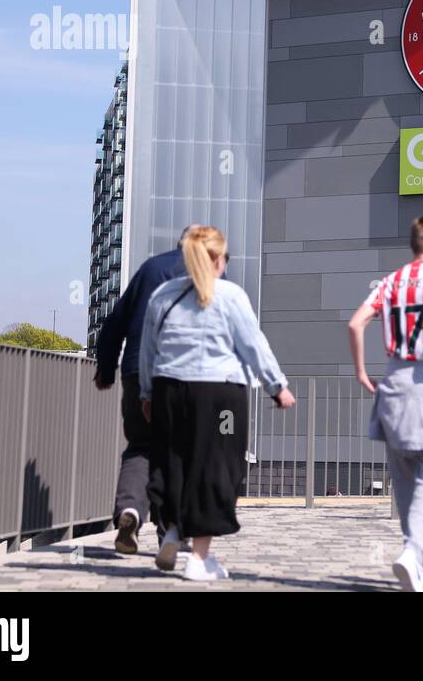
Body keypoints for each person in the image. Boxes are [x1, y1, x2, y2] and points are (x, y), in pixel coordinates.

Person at [139, 226, 294, 581]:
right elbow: (253, 345)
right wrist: (277, 386)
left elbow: (150, 350)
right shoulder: (230, 295)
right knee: (215, 467)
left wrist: (147, 394)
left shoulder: (163, 295)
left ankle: (174, 529)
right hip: (220, 397)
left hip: (169, 390)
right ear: (217, 259)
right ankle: (199, 557)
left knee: (173, 462)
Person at [347, 215, 423, 592]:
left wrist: (362, 371)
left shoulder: (390, 282)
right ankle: (414, 553)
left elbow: (356, 323)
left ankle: (416, 561)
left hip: (394, 379)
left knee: (404, 479)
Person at [95, 224, 201, 555]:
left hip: (137, 370)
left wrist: (106, 368)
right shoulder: (209, 273)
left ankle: (130, 511)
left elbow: (115, 322)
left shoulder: (151, 268)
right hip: (186, 376)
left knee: (141, 446)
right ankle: (170, 528)